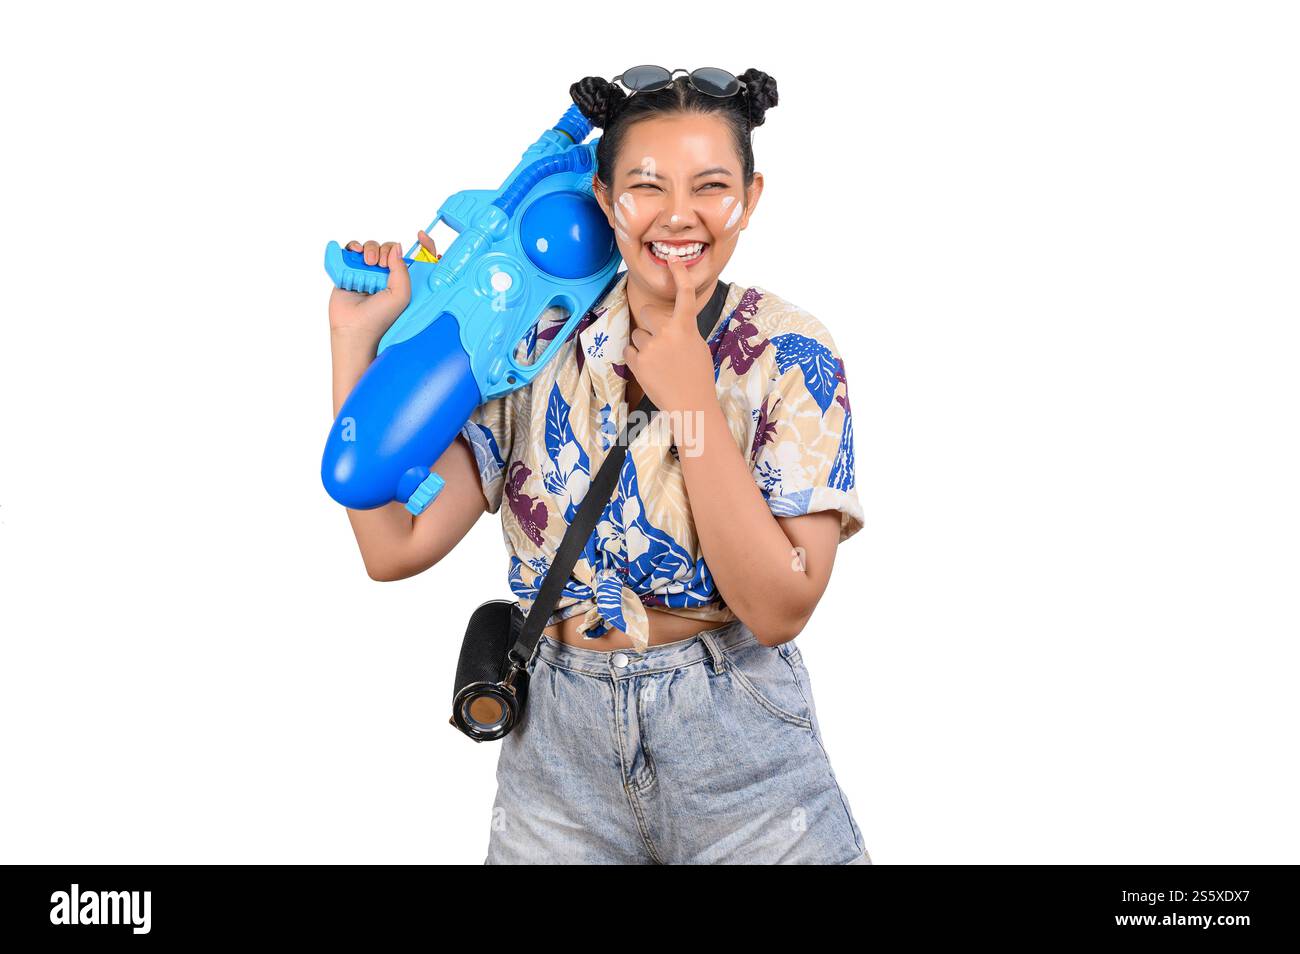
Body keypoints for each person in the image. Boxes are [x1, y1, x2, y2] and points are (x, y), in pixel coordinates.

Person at [327, 66, 871, 864]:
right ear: (605, 199)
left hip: (740, 750)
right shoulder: (534, 345)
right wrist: (355, 341)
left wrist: (690, 398)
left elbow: (779, 609)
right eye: (646, 187)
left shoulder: (788, 352)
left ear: (749, 199)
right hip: (557, 752)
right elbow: (392, 544)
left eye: (710, 186)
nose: (678, 216)